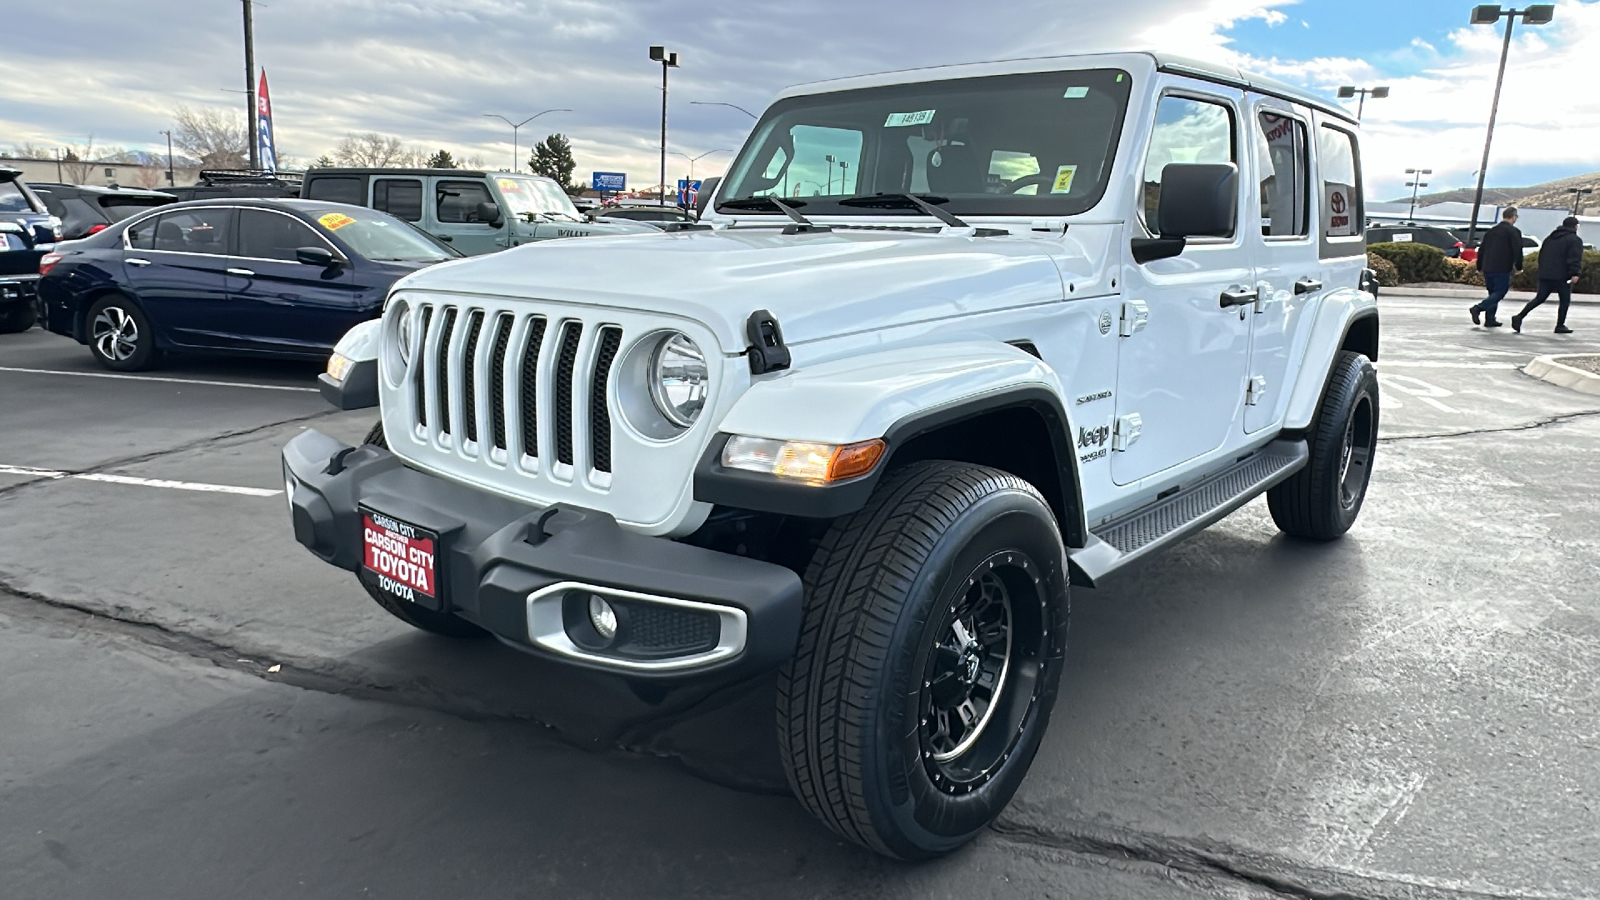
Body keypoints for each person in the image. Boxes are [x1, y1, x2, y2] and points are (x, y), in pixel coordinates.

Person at [1512, 216, 1585, 335]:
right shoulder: (1574, 240)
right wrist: (1575, 273)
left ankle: (1519, 316)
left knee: (1539, 298)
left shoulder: (1550, 238)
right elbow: (1574, 258)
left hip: (1546, 274)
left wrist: (1543, 270)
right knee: (1564, 301)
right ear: (1575, 226)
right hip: (1562, 276)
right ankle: (1560, 325)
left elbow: (1542, 255)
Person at [1469, 207, 1523, 327]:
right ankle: (1478, 308)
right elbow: (1517, 250)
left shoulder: (1491, 231)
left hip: (1488, 266)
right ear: (1513, 216)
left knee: (1492, 293)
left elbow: (1482, 250)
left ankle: (1490, 318)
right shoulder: (1513, 232)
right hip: (1502, 266)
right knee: (1500, 291)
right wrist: (1519, 266)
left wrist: (1479, 266)